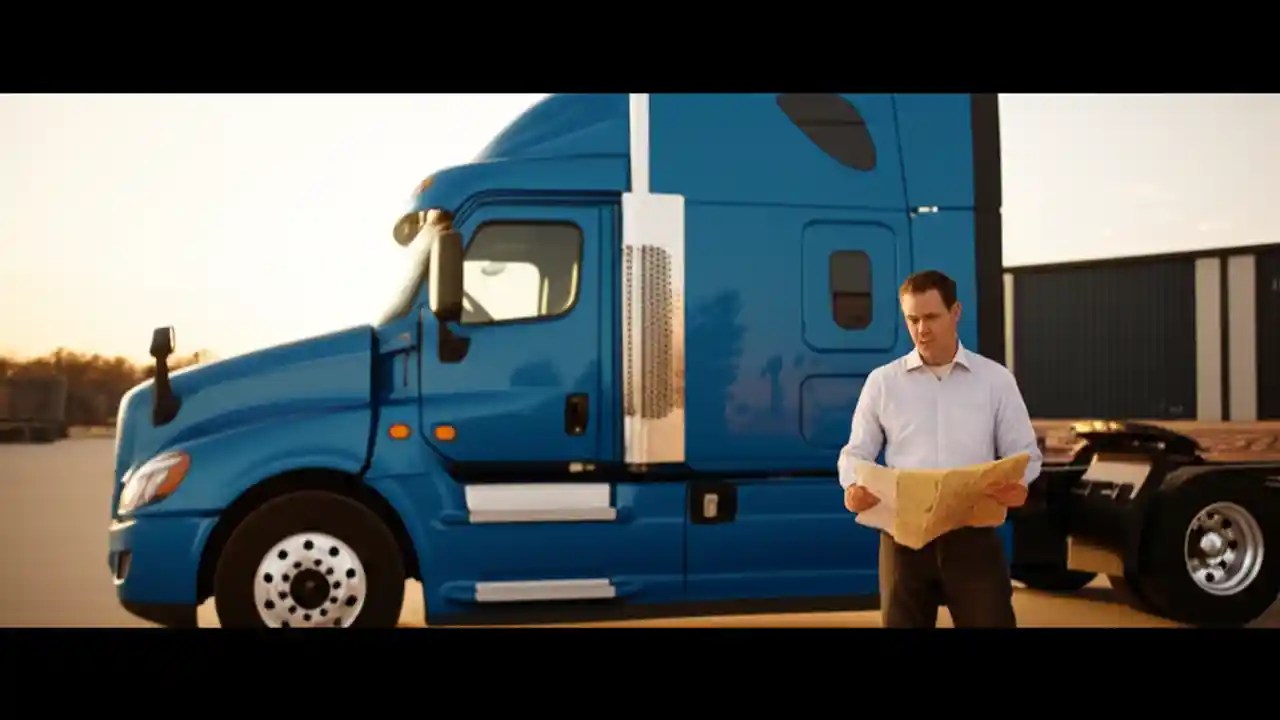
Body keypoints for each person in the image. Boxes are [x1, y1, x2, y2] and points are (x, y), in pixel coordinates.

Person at [837, 269, 1043, 628]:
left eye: (931, 317)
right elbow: (855, 453)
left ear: (956, 312)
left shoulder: (995, 380)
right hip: (902, 539)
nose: (921, 329)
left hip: (973, 538)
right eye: (912, 319)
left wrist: (1020, 485)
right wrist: (853, 487)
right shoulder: (882, 383)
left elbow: (1025, 452)